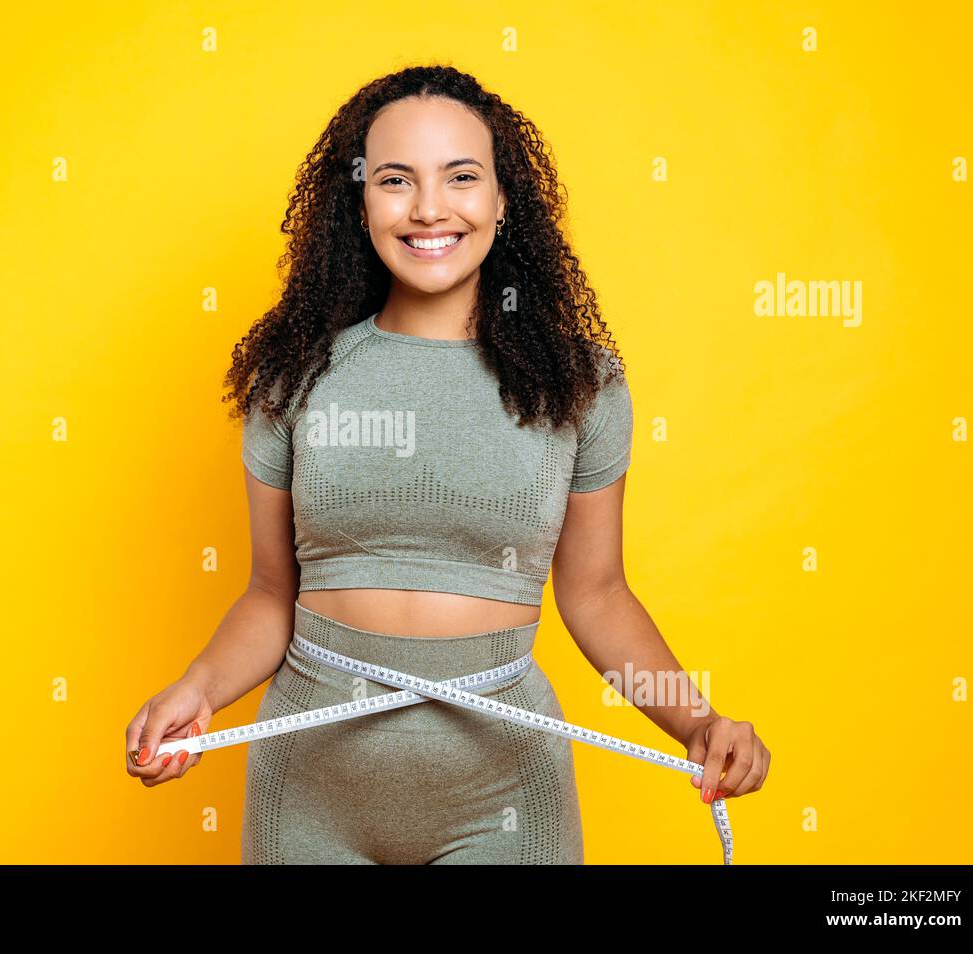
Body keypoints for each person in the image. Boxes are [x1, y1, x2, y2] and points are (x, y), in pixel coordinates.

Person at [125, 64, 770, 864]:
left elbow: (598, 594)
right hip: (310, 791)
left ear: (504, 199)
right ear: (358, 204)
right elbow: (268, 595)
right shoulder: (293, 376)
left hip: (502, 791)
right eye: (396, 180)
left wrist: (699, 721)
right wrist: (195, 693)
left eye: (461, 177)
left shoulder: (580, 382)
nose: (429, 208)